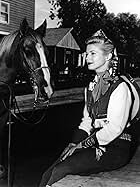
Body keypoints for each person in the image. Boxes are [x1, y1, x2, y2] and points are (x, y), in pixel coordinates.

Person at [38, 30, 140, 187]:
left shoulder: (120, 87)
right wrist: (74, 143)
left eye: (93, 53)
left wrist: (82, 145)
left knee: (61, 169)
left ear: (108, 56)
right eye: (86, 54)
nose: (87, 58)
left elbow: (115, 128)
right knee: (49, 171)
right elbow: (87, 121)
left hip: (116, 148)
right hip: (93, 143)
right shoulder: (90, 88)